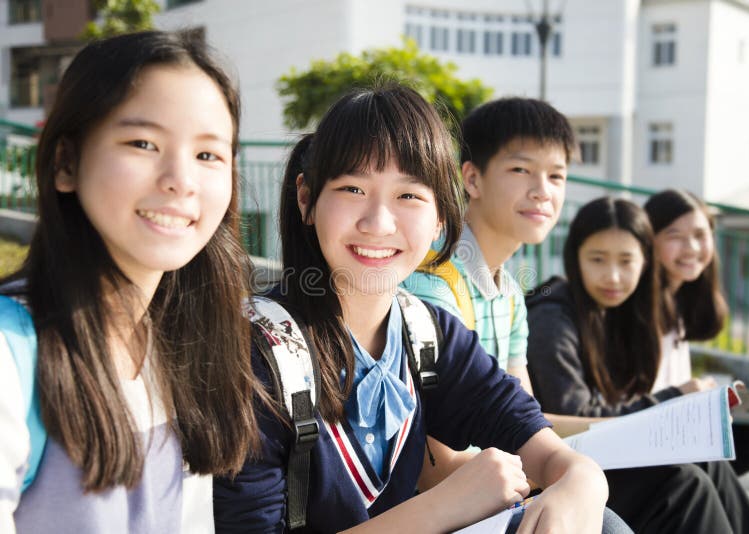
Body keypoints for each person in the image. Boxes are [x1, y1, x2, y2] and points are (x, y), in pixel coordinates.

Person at [213, 86, 608, 533]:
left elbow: (537, 436)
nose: (379, 223)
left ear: (442, 214)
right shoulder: (253, 351)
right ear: (306, 199)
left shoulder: (426, 332)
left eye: (409, 196)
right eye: (352, 188)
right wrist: (444, 505)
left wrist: (583, 479)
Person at [0, 31, 263, 533]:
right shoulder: (12, 355)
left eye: (208, 155)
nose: (181, 179)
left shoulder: (186, 345)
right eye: (143, 143)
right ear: (65, 164)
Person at [525, 196, 749, 533]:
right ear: (575, 257)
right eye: (597, 259)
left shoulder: (621, 312)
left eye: (627, 261)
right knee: (684, 481)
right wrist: (673, 397)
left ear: (645, 262)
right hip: (561, 465)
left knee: (713, 457)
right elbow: (575, 412)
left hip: (602, 451)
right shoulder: (553, 316)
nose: (613, 276)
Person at [402, 97, 603, 492]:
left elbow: (526, 419)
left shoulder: (510, 292)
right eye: (521, 169)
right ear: (472, 179)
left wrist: (628, 428)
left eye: (557, 176)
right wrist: (554, 474)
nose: (543, 192)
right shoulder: (432, 282)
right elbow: (434, 463)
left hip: (495, 482)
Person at [645, 189, 749, 475]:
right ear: (648, 240)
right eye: (675, 235)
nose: (692, 248)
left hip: (673, 420)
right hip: (652, 432)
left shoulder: (678, 301)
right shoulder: (641, 306)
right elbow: (647, 399)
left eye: (700, 234)